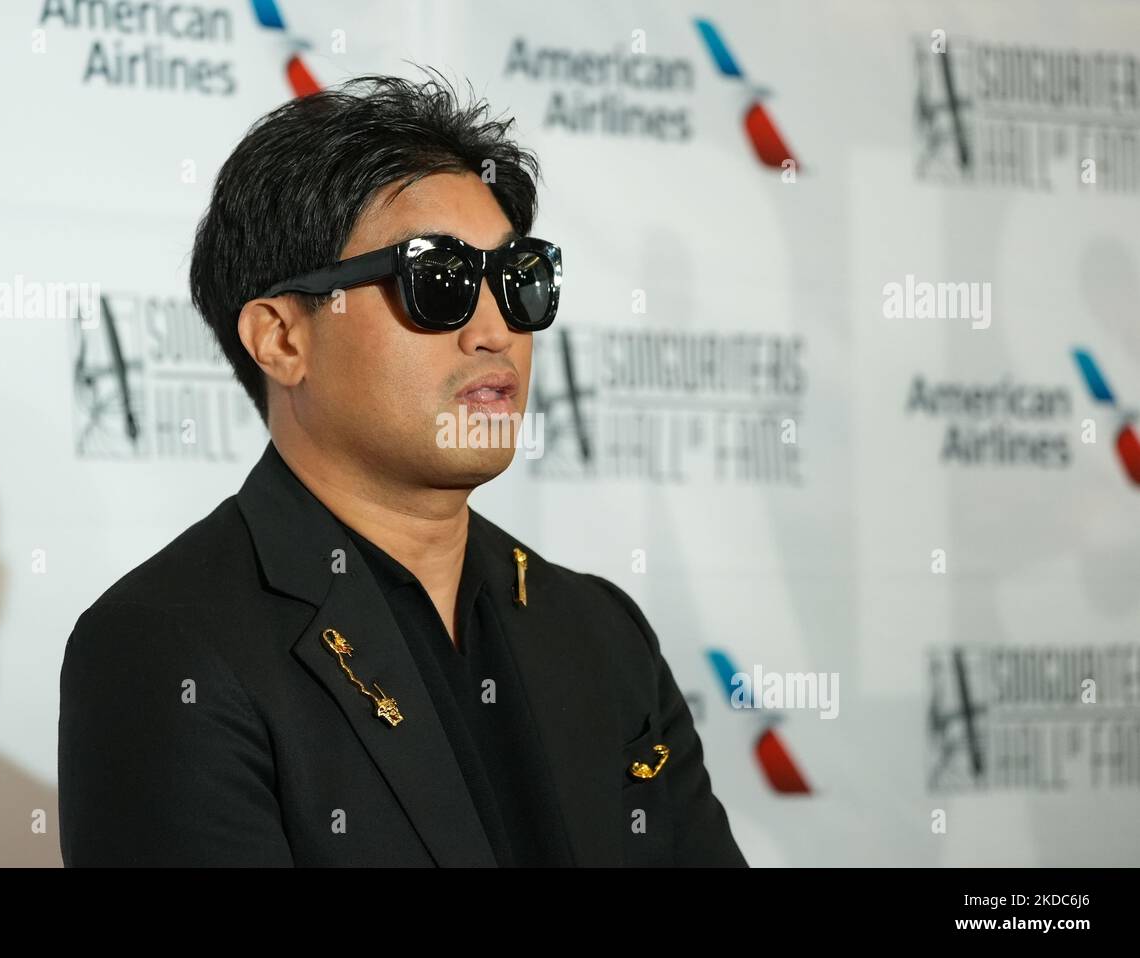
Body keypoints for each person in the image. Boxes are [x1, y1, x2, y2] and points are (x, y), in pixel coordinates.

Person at [57, 70, 746, 867]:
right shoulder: (166, 647)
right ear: (282, 338)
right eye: (439, 280)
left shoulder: (601, 631)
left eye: (519, 281)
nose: (496, 331)